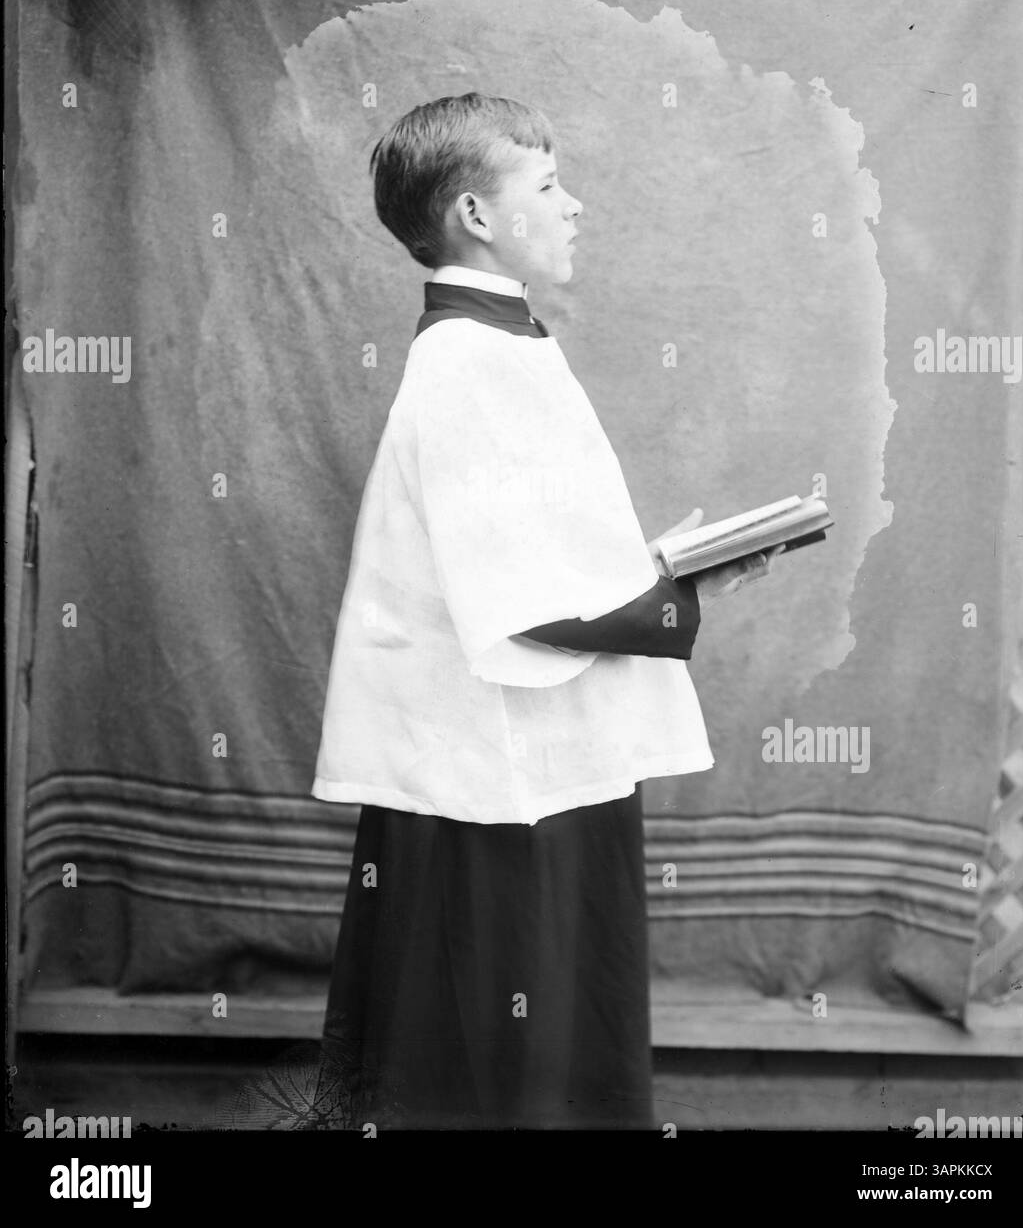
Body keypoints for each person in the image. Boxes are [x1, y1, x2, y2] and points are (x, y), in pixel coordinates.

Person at [313, 92, 780, 1130]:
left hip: (537, 753)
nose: (576, 206)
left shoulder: (507, 347)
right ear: (478, 216)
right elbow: (518, 600)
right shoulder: (465, 364)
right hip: (488, 774)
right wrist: (672, 601)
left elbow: (534, 553)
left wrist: (673, 570)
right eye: (550, 185)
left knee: (546, 1016)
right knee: (494, 1041)